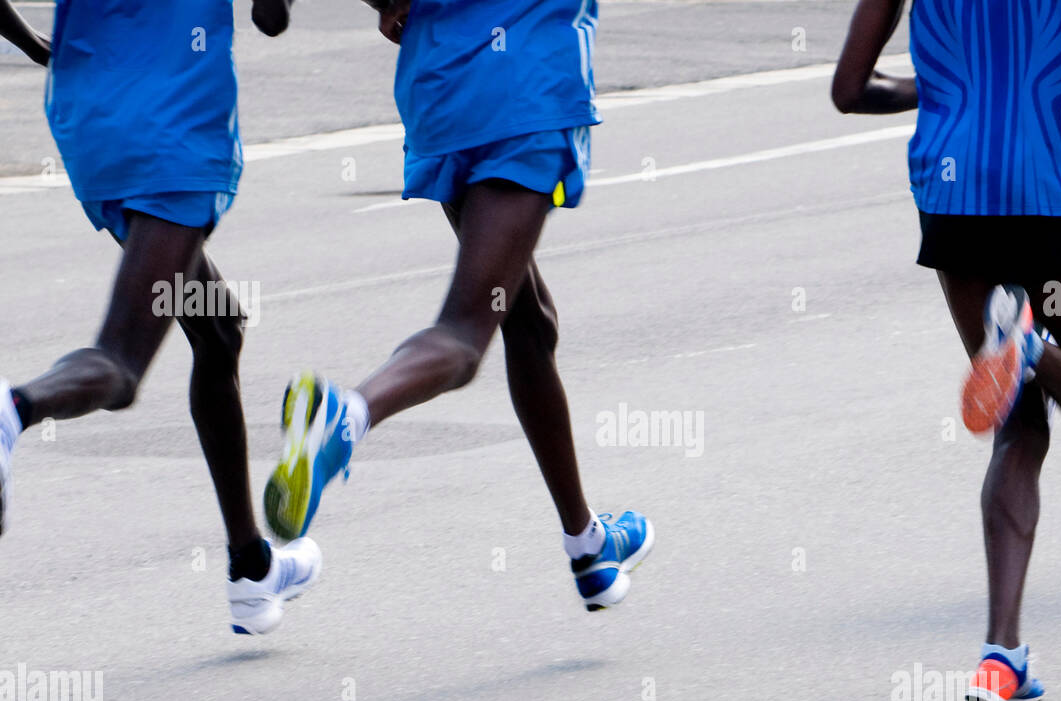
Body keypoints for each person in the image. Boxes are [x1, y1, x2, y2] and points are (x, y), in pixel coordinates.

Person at [263, 0, 653, 612]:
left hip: (443, 88)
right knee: (465, 335)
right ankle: (348, 414)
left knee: (529, 321)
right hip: (524, 87)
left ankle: (588, 545)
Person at [834, 0, 1061, 701]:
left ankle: (1000, 656)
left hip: (955, 195)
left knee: (1018, 425)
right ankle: (1034, 350)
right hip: (1052, 189)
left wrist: (950, 88)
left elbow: (849, 91)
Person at [0, 0, 318, 636]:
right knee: (119, 365)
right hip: (173, 122)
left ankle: (251, 568)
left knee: (217, 325)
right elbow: (272, 18)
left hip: (88, 117)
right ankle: (14, 410)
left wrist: (35, 44)